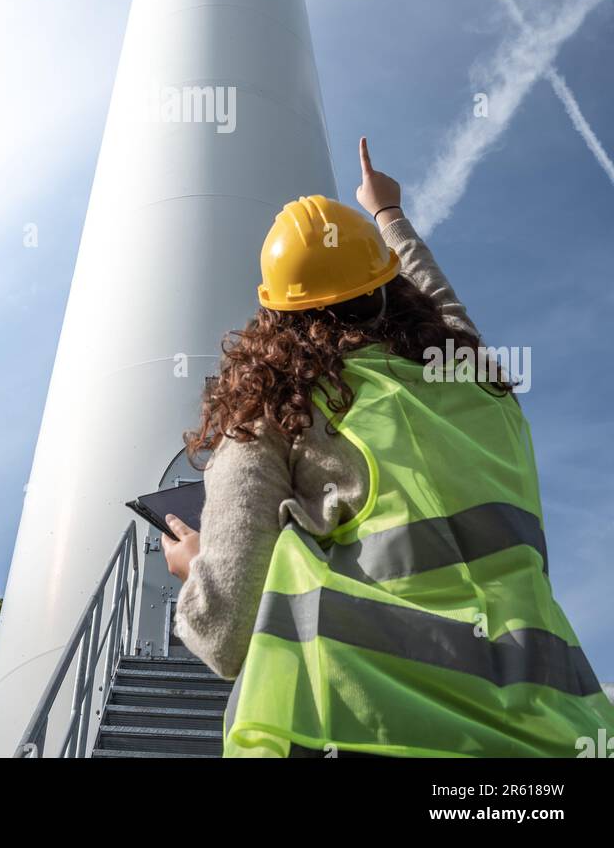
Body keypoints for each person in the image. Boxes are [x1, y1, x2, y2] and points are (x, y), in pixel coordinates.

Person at [161, 137, 614, 758]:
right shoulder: (474, 383)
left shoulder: (273, 413)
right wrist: (388, 215)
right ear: (386, 289)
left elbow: (228, 635)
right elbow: (445, 310)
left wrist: (194, 568)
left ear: (276, 315)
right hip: (555, 734)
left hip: (368, 732)